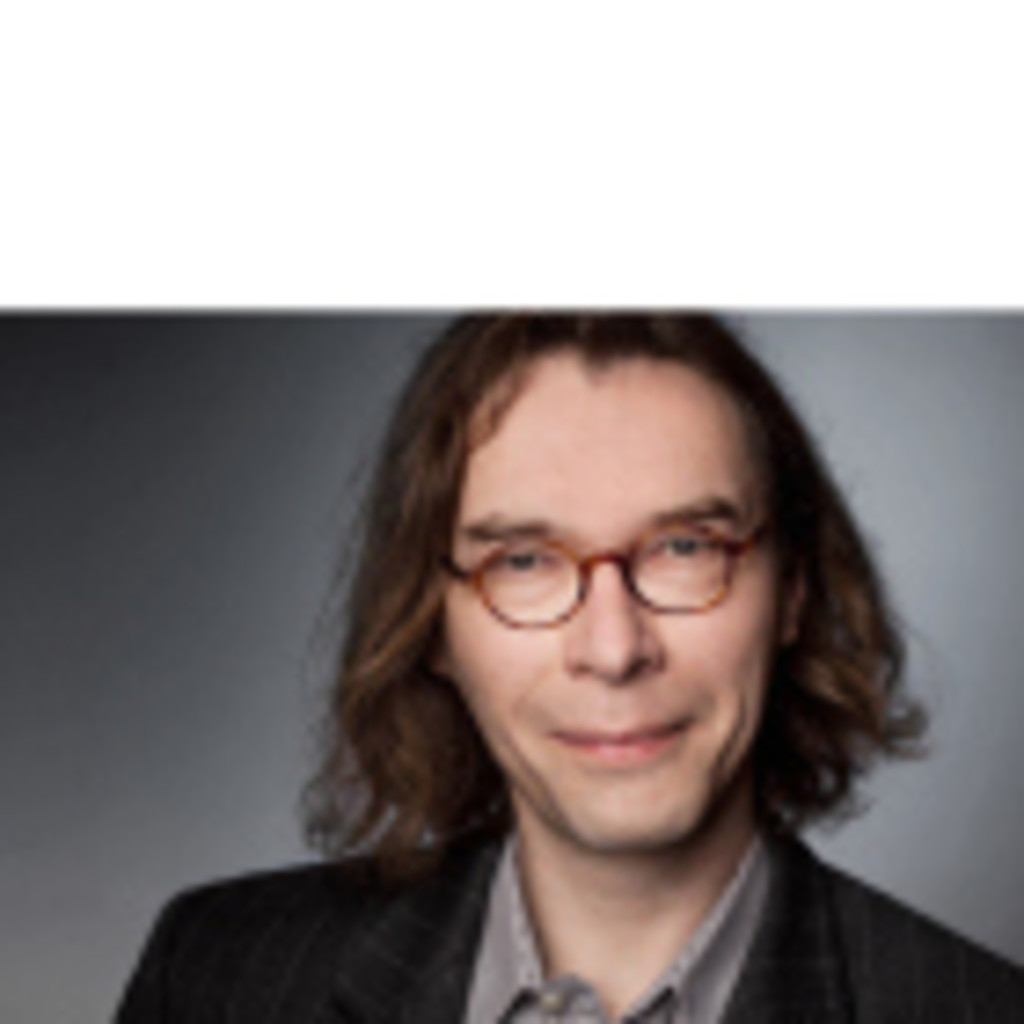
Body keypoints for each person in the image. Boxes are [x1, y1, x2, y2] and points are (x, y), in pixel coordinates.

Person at [116, 315, 1024, 1023]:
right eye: (523, 560)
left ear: (791, 590)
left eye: (685, 546)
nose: (615, 649)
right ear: (431, 623)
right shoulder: (216, 976)